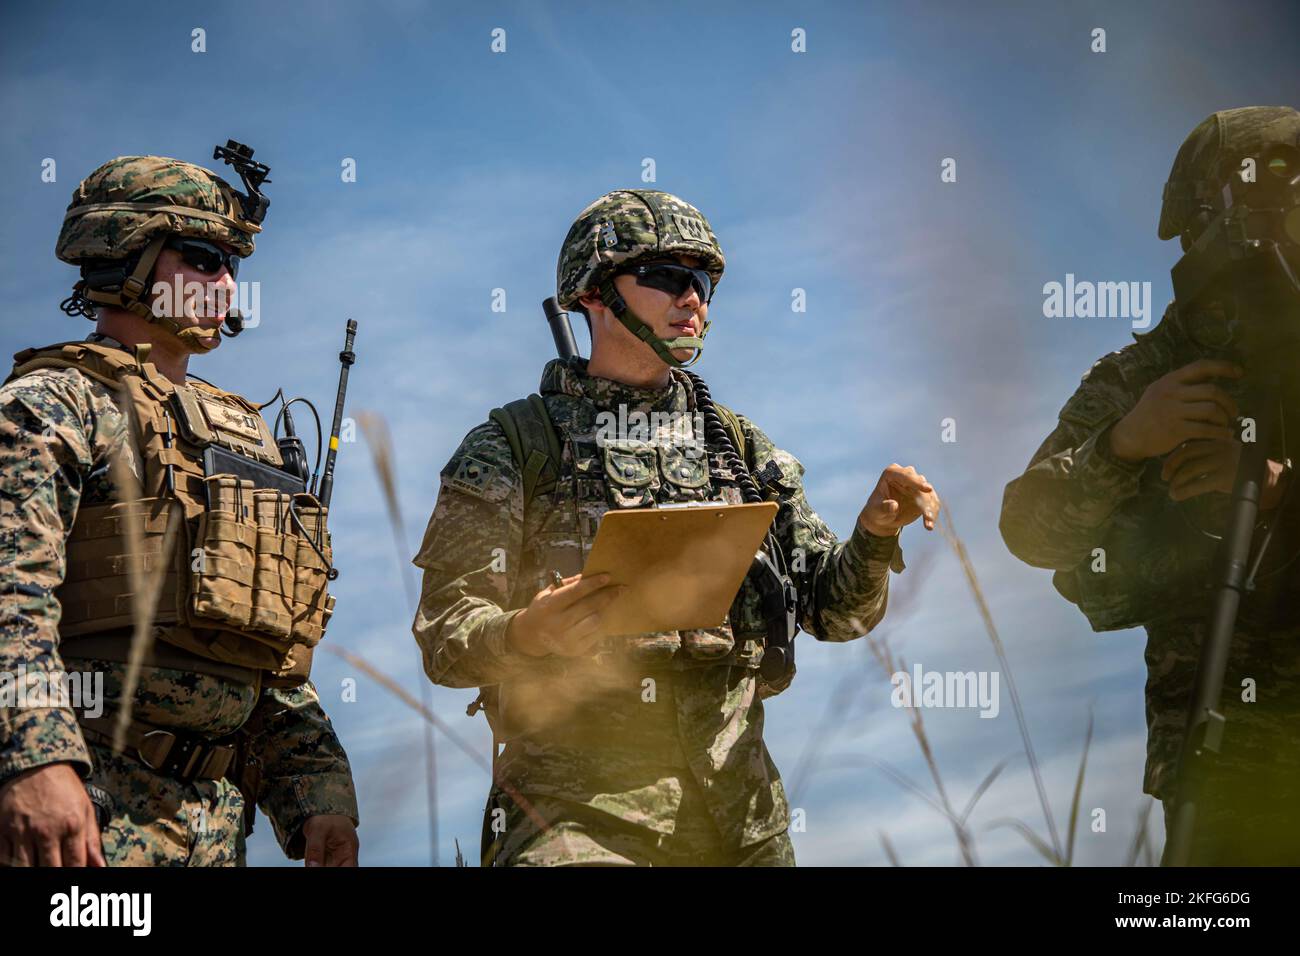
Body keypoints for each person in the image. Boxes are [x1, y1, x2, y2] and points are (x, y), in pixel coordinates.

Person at [413, 188, 940, 866]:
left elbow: (834, 614)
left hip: (741, 824)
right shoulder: (514, 446)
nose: (692, 298)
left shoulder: (741, 449)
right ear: (594, 294)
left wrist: (874, 536)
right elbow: (446, 638)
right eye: (665, 277)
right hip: (575, 820)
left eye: (702, 282)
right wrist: (525, 633)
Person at [0, 151, 359, 866]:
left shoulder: (245, 437)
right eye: (200, 257)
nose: (225, 283)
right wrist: (35, 758)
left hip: (217, 827)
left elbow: (268, 651)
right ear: (123, 255)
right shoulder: (54, 405)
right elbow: (12, 597)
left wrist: (316, 795)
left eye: (231, 265)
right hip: (90, 806)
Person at [1000, 107, 1300, 865]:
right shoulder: (1142, 377)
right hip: (1228, 760)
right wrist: (1127, 441)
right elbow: (1029, 531)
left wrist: (1277, 490)